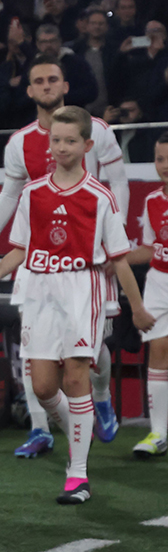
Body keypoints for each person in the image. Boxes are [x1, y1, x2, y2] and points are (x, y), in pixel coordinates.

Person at [0, 106, 153, 505]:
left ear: (87, 145)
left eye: (70, 140)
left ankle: (77, 474)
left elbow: (118, 258)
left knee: (76, 377)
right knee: (44, 387)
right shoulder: (32, 192)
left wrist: (137, 306)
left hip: (84, 288)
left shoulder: (101, 196)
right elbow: (19, 251)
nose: (61, 147)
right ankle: (80, 428)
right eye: (56, 140)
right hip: (40, 290)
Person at [0, 54, 129, 458]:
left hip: (86, 256)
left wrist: (109, 238)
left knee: (93, 340)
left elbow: (117, 181)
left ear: (66, 85)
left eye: (54, 79)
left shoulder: (97, 131)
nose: (48, 85)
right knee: (39, 349)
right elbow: (10, 196)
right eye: (39, 81)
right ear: (30, 89)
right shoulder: (19, 143)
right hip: (40, 261)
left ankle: (99, 397)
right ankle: (40, 429)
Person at [127, 134, 168, 459]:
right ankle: (158, 432)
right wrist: (115, 259)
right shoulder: (153, 200)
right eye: (159, 159)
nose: (164, 166)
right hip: (158, 282)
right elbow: (149, 247)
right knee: (159, 349)